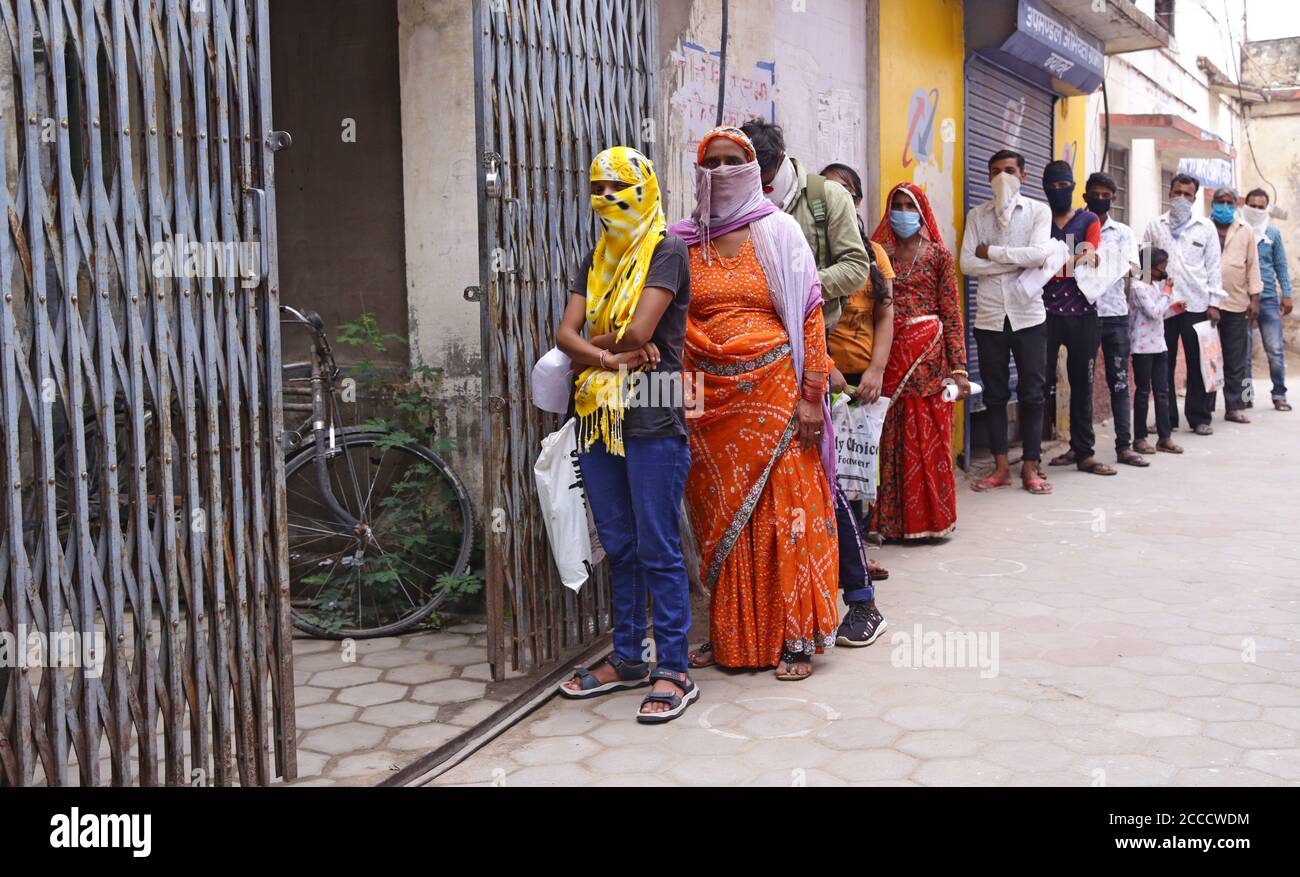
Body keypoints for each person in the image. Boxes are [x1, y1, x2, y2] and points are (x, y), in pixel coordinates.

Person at [671, 126, 840, 680]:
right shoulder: (680, 240)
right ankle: (732, 638)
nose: (720, 171)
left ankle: (794, 638)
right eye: (710, 162)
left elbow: (810, 317)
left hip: (775, 398)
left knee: (784, 515)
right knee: (720, 519)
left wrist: (812, 399)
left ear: (752, 168)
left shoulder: (780, 232)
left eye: (732, 161)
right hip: (705, 405)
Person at [554, 146, 699, 724]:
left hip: (656, 407)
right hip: (596, 410)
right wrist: (610, 358)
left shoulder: (667, 251)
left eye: (619, 187)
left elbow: (640, 327)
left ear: (644, 188)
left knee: (658, 541)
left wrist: (597, 347)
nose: (607, 199)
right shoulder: (596, 258)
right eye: (598, 189)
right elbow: (566, 334)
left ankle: (674, 668)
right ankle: (626, 659)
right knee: (618, 542)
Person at [739, 119, 885, 647]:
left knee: (817, 477)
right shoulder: (724, 204)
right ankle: (774, 609)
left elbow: (857, 266)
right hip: (748, 366)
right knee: (758, 491)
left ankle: (861, 599)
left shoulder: (824, 199)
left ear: (776, 165)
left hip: (806, 351)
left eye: (755, 170)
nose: (741, 178)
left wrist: (796, 283)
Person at [869, 182, 969, 542]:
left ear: (922, 212)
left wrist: (958, 370)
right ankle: (888, 524)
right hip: (889, 358)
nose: (902, 213)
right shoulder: (879, 254)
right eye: (896, 205)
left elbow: (952, 313)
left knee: (928, 439)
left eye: (909, 206)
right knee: (889, 438)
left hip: (928, 361)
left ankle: (931, 521)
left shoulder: (938, 256)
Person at [960, 149, 1054, 495]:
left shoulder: (1037, 212)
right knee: (995, 394)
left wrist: (993, 253)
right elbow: (967, 263)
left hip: (1028, 315)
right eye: (996, 171)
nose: (1003, 177)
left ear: (1023, 176)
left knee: (1032, 392)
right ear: (988, 177)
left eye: (1010, 171)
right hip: (989, 318)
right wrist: (1015, 261)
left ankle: (1031, 466)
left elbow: (1040, 255)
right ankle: (1001, 468)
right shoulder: (977, 215)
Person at [821, 161, 895, 586]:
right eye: (829, 190)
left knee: (857, 468)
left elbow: (886, 316)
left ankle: (858, 556)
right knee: (824, 471)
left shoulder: (874, 254)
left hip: (861, 378)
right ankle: (829, 558)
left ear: (858, 202)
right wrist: (824, 367)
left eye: (846, 191)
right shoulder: (810, 251)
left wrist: (876, 371)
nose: (838, 198)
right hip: (821, 376)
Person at [1040, 160, 1112, 477]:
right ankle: (1032, 458)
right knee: (1037, 385)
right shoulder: (1039, 220)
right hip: (1042, 315)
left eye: (1064, 184)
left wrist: (1054, 268)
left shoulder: (1088, 219)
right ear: (1045, 187)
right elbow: (1032, 264)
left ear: (1073, 185)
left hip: (1083, 315)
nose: (1059, 190)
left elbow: (1091, 259)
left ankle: (1084, 452)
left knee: (1081, 383)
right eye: (1053, 185)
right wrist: (1072, 261)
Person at [1142, 173, 1223, 436]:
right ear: (1169, 193)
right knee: (1162, 363)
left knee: (1197, 362)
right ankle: (1167, 419)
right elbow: (1144, 267)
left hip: (1195, 303)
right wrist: (1144, 299)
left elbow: (1213, 267)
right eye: (1177, 193)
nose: (1181, 198)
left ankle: (1200, 417)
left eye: (1187, 195)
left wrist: (1214, 303)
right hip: (1162, 306)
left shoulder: (1205, 227)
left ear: (1195, 198)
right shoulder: (1155, 226)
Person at [1084, 171, 1147, 468]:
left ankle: (1125, 446)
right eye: (1094, 194)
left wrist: (1102, 263)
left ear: (1114, 198)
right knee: (1081, 383)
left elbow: (1136, 269)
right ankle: (1081, 448)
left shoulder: (1123, 232)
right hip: (1082, 315)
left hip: (1115, 316)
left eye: (1105, 195)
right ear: (1085, 196)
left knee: (1120, 382)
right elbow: (1068, 270)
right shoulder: (1075, 227)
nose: (1100, 199)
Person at [1209, 186, 1262, 425]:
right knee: (1207, 359)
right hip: (1207, 303)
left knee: (1235, 359)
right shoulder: (1203, 227)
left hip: (1237, 302)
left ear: (1236, 205)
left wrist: (1255, 299)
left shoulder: (1245, 230)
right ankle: (1204, 408)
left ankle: (1234, 407)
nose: (1225, 206)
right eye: (1220, 201)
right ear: (1213, 203)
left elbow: (1253, 266)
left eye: (1230, 202)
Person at [1130, 247, 1183, 456]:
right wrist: (1167, 293)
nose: (1164, 272)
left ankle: (1165, 436)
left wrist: (1175, 307)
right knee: (1143, 392)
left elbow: (1161, 314)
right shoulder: (1138, 288)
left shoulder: (1153, 286)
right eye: (1161, 268)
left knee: (1162, 392)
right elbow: (1153, 312)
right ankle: (1140, 438)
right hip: (1142, 346)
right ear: (1149, 268)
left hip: (1159, 345)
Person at [1243, 188, 1292, 411]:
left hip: (1269, 298)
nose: (1256, 210)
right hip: (1241, 299)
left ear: (1267, 209)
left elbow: (1281, 265)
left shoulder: (1272, 233)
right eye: (1252, 205)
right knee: (1243, 352)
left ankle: (1279, 394)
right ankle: (1245, 396)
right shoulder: (1239, 230)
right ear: (1245, 205)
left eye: (1260, 207)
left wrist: (1287, 294)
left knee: (1274, 349)